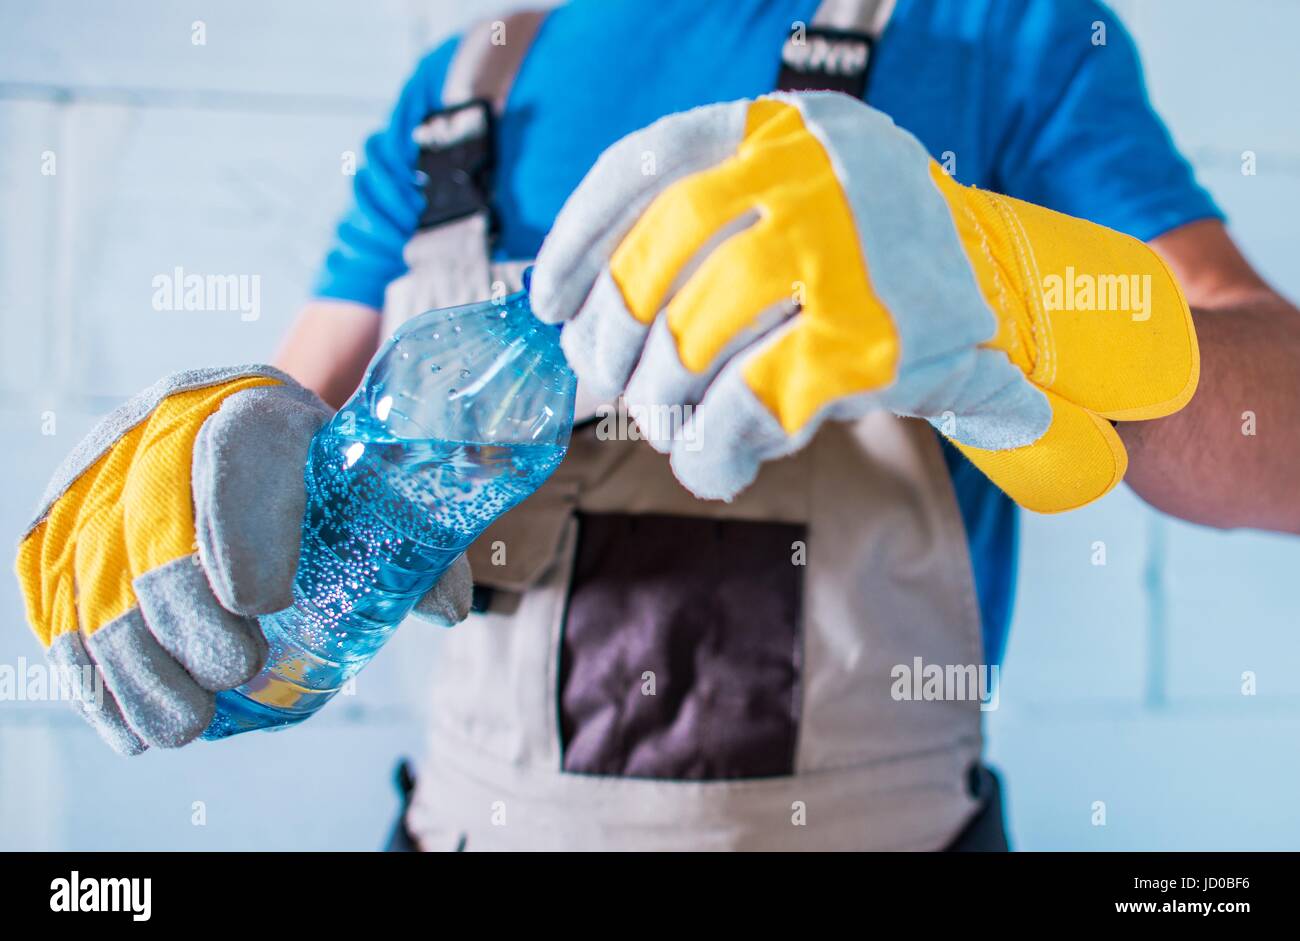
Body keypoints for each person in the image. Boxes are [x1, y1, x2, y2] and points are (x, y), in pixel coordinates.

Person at [18, 0, 1300, 851]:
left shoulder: (1004, 34)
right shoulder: (457, 86)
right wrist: (194, 488)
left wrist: (1009, 286)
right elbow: (294, 441)